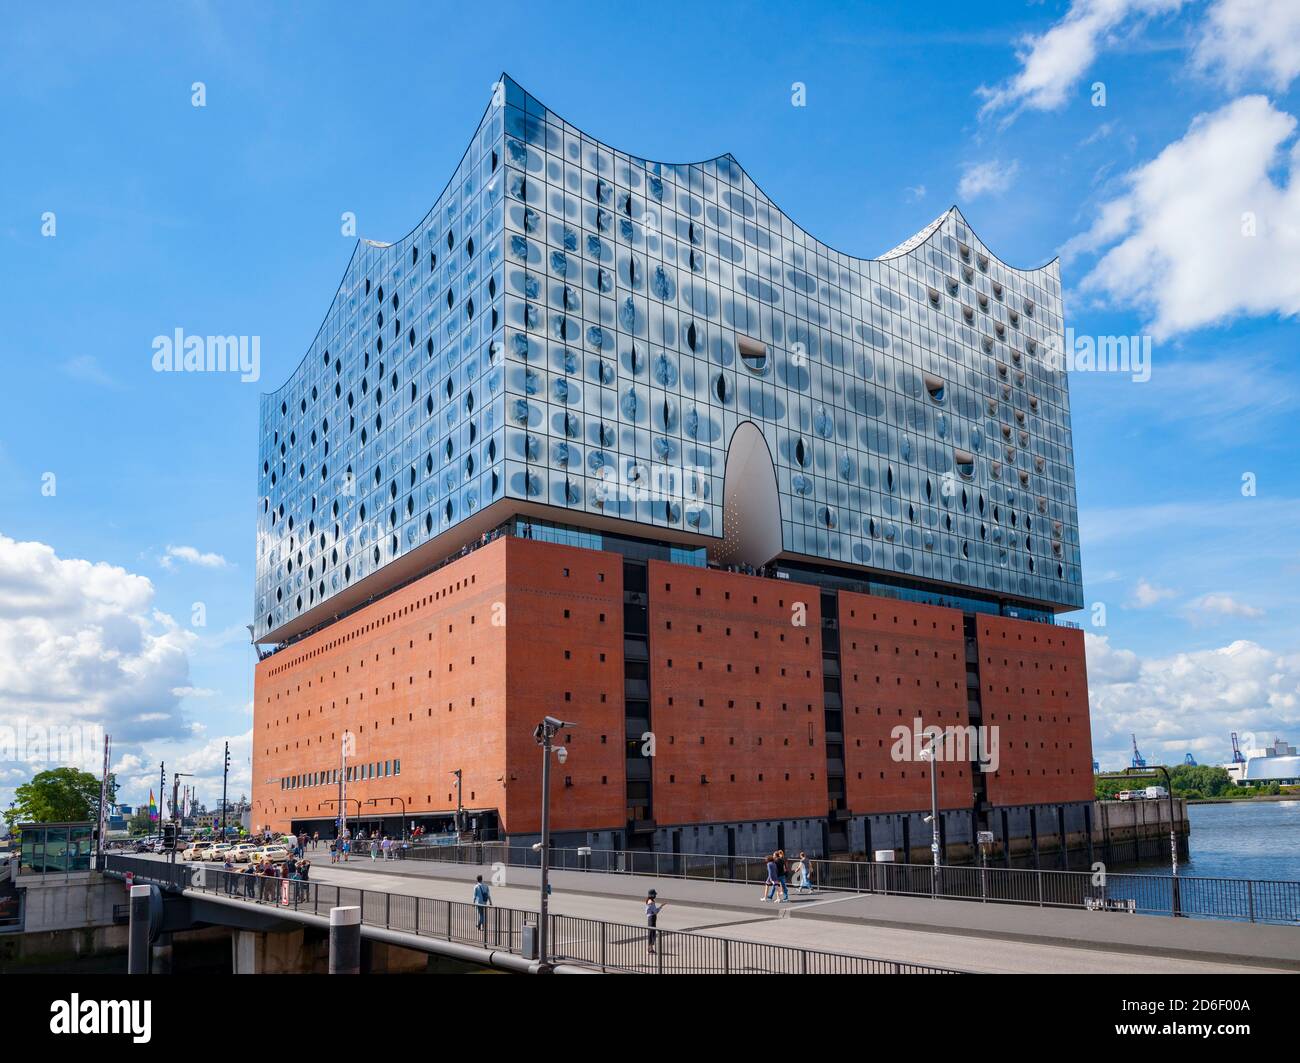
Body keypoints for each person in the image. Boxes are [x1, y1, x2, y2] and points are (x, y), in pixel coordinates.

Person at [645, 890, 666, 955]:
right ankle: (649, 949)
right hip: (651, 918)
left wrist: (660, 907)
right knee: (651, 933)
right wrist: (661, 907)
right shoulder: (651, 902)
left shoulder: (649, 901)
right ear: (651, 895)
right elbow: (655, 911)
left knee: (652, 933)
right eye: (654, 895)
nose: (655, 896)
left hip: (651, 918)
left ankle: (651, 949)